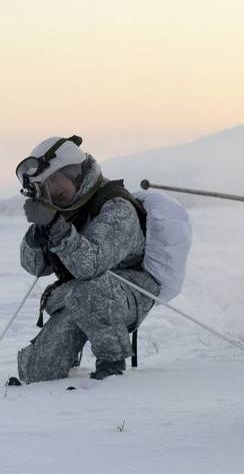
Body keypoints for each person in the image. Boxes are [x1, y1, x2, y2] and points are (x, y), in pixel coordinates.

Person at [12, 135, 159, 383]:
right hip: (80, 294)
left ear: (74, 174)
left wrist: (56, 228)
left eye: (54, 186)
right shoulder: (62, 210)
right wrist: (38, 235)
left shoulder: (116, 207)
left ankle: (112, 365)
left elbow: (90, 266)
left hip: (129, 292)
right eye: (44, 190)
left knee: (89, 290)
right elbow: (33, 267)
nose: (51, 196)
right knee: (37, 372)